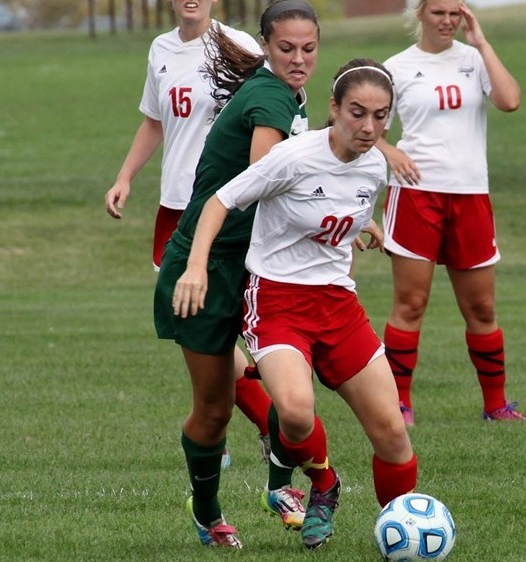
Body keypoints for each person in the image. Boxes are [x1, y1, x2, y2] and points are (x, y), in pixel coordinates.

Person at [173, 58, 418, 551]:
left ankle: (401, 532)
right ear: (334, 108)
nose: (369, 126)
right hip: (278, 300)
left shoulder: (374, 165)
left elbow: (335, 213)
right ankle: (325, 485)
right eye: (357, 113)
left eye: (380, 115)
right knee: (296, 412)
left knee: (392, 432)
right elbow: (221, 201)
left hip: (338, 306)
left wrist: (361, 227)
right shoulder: (293, 156)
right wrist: (196, 267)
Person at [152, 0, 321, 549]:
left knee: (287, 390)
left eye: (309, 49)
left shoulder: (288, 94)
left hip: (256, 266)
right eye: (286, 48)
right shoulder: (269, 97)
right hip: (206, 267)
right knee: (214, 409)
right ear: (265, 46)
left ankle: (279, 486)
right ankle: (206, 511)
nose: (298, 59)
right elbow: (266, 180)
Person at [102, 1, 273, 469]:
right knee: (202, 334)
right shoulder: (160, 49)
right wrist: (125, 177)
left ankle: (266, 423)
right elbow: (155, 121)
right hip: (175, 211)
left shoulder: (238, 47)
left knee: (225, 328)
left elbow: (277, 117)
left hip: (228, 211)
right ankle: (256, 424)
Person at [378, 0, 526, 426]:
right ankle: (399, 405)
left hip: (470, 195)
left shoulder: (474, 58)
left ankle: (496, 405)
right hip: (416, 195)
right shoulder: (397, 67)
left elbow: (510, 100)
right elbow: (368, 130)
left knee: (481, 307)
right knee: (411, 303)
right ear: (420, 14)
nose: (446, 21)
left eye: (454, 13)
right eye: (438, 12)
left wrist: (481, 43)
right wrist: (390, 151)